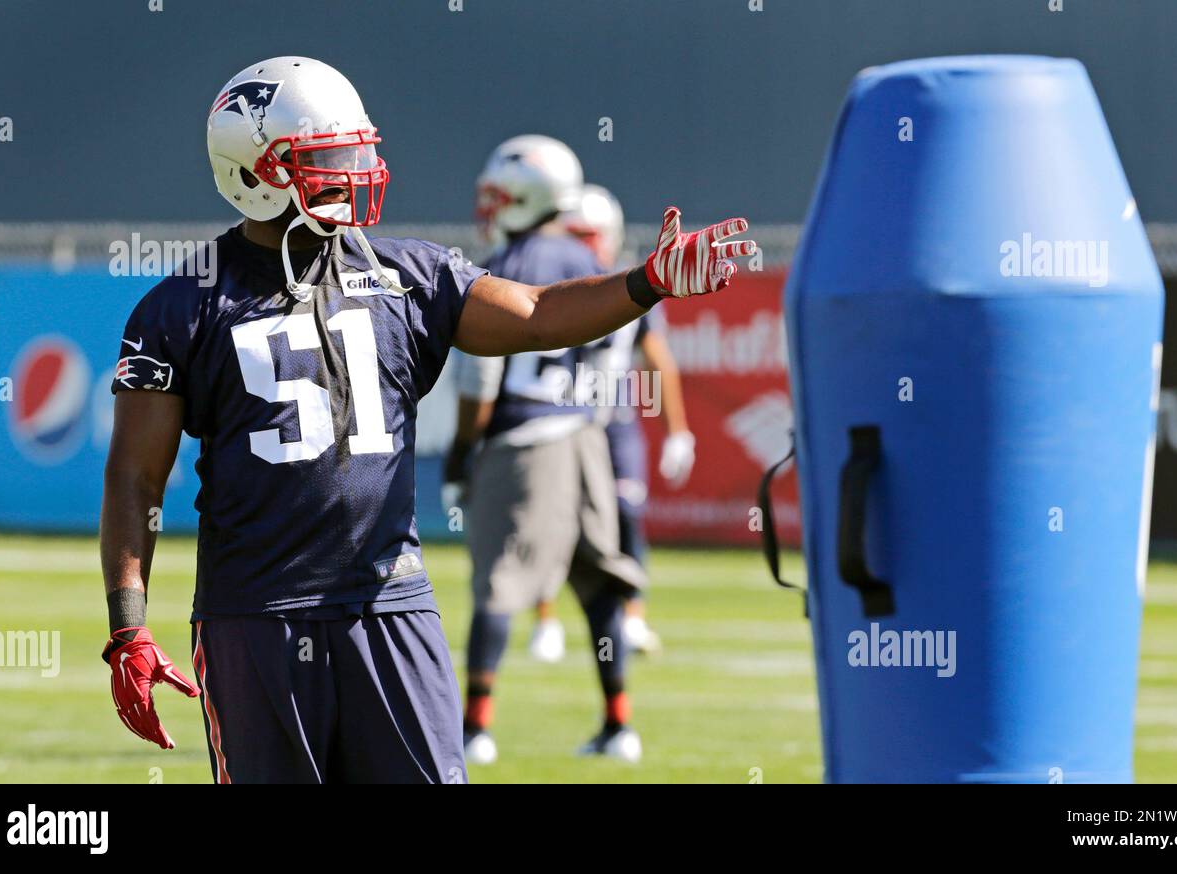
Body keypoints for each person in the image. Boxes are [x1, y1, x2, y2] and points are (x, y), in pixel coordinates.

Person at [99, 57, 756, 783]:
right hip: (256, 615)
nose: (353, 170)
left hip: (389, 602)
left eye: (353, 150)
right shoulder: (181, 308)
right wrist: (127, 625)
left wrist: (648, 281)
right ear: (254, 173)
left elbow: (538, 315)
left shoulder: (408, 275)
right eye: (323, 159)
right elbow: (136, 478)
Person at [444, 137, 645, 765]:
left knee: (499, 585)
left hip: (526, 443)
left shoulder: (511, 261)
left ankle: (475, 728)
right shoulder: (591, 258)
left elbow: (481, 380)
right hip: (587, 435)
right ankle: (619, 726)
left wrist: (460, 454)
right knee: (599, 584)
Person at [531, 184, 696, 657]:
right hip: (559, 416)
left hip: (613, 419)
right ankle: (547, 619)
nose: (583, 244)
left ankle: (632, 616)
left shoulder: (629, 285)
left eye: (590, 234)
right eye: (575, 233)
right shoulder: (549, 283)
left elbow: (657, 359)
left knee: (625, 515)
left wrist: (678, 432)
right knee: (549, 522)